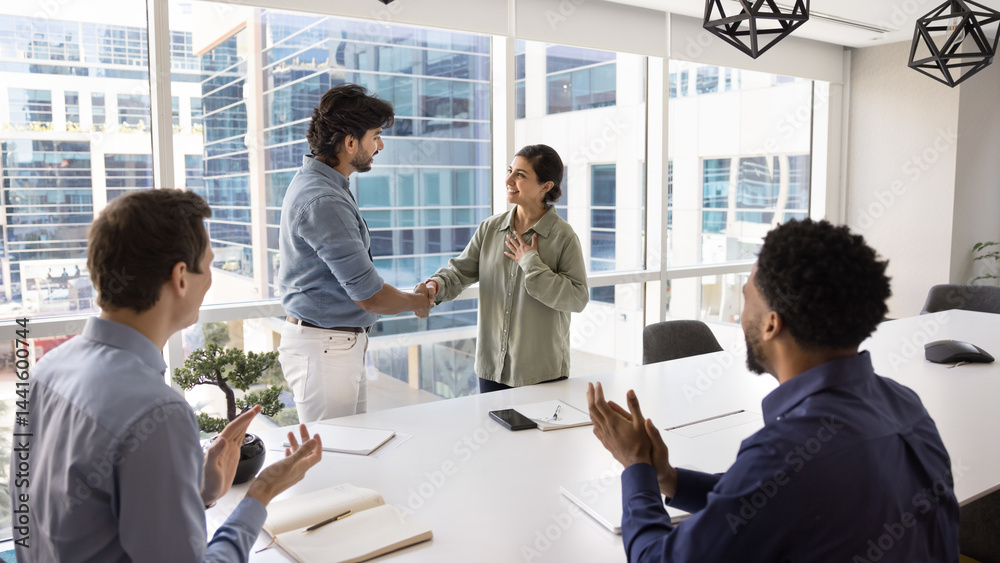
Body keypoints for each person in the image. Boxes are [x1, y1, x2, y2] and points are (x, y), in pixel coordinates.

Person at [587, 218, 959, 562]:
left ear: (771, 324)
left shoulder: (789, 453)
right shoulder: (903, 403)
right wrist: (668, 478)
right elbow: (762, 498)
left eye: (746, 296)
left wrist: (635, 466)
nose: (741, 310)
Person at [12, 189, 324, 562]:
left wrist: (200, 488)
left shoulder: (47, 370)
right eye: (208, 265)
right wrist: (261, 493)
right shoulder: (155, 412)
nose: (210, 279)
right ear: (180, 277)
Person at [278, 83, 434, 422]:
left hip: (332, 344)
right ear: (350, 142)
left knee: (346, 450)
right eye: (375, 136)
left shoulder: (321, 184)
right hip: (326, 348)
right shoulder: (325, 200)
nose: (380, 145)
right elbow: (370, 297)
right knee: (329, 456)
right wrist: (416, 302)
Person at [422, 144, 588, 393]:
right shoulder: (490, 228)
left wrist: (531, 263)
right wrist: (434, 285)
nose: (508, 180)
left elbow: (577, 299)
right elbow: (459, 272)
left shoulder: (563, 236)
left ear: (546, 186)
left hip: (540, 372)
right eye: (510, 171)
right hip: (490, 368)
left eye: (520, 175)